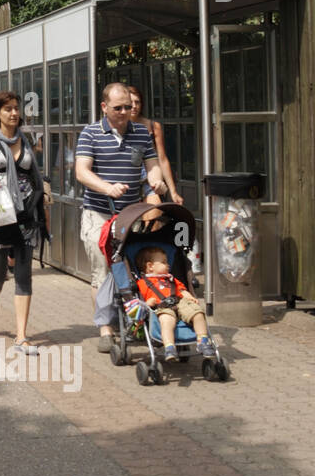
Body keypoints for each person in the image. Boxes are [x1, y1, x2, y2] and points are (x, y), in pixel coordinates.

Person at [75, 82, 170, 353]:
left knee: (131, 268)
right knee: (103, 272)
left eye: (128, 107)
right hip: (98, 213)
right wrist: (107, 187)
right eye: (118, 108)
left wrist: (156, 184)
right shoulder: (91, 133)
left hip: (130, 215)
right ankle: (106, 328)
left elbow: (152, 167)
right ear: (104, 107)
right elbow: (82, 171)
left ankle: (133, 322)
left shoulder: (141, 133)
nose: (125, 112)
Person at [0, 91, 48, 354]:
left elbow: (33, 171)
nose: (14, 113)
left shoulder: (26, 140)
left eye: (16, 109)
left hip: (25, 214)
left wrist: (43, 193)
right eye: (8, 109)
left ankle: (21, 336)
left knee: (24, 276)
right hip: (0, 213)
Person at [133, 247, 217, 361]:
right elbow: (140, 299)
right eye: (163, 262)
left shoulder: (172, 279)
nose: (168, 265)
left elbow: (182, 290)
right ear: (150, 266)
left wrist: (189, 296)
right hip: (161, 305)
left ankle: (203, 341)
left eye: (167, 262)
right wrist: (147, 303)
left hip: (180, 301)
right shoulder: (143, 282)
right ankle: (169, 347)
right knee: (166, 321)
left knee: (198, 313)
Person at [126, 84, 185, 206]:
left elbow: (162, 159)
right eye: (130, 102)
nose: (134, 106)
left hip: (150, 176)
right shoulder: (119, 127)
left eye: (137, 102)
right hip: (127, 179)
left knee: (154, 213)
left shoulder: (153, 126)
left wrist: (173, 192)